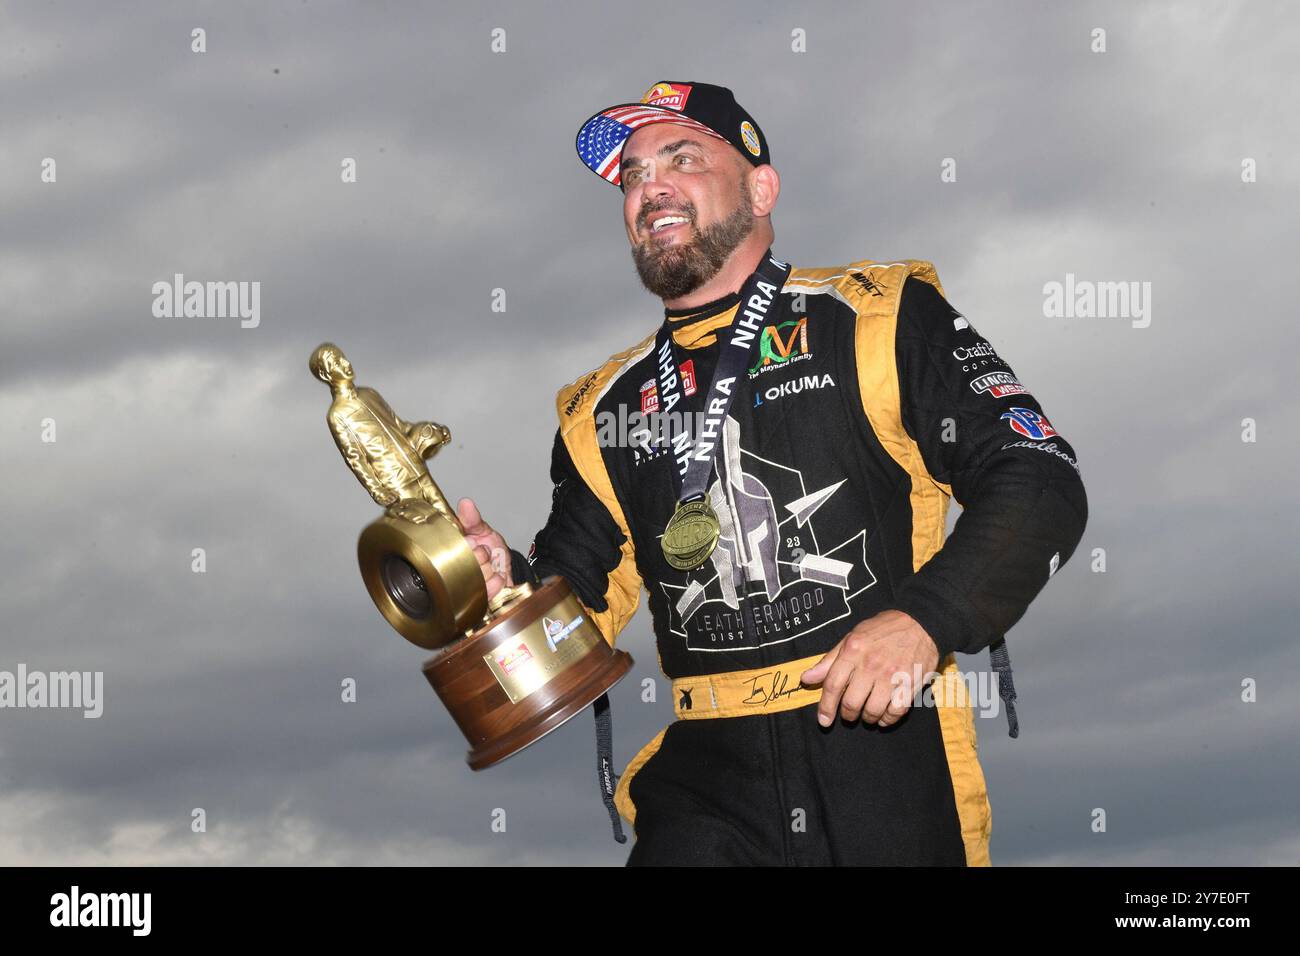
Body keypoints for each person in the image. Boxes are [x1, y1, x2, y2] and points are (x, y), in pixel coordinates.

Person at [454, 81, 1088, 866]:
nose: (650, 185)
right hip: (703, 786)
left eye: (682, 158)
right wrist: (499, 590)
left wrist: (925, 621)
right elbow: (575, 609)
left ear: (761, 187)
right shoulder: (601, 407)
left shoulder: (877, 314)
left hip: (880, 754)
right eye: (632, 174)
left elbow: (1039, 475)